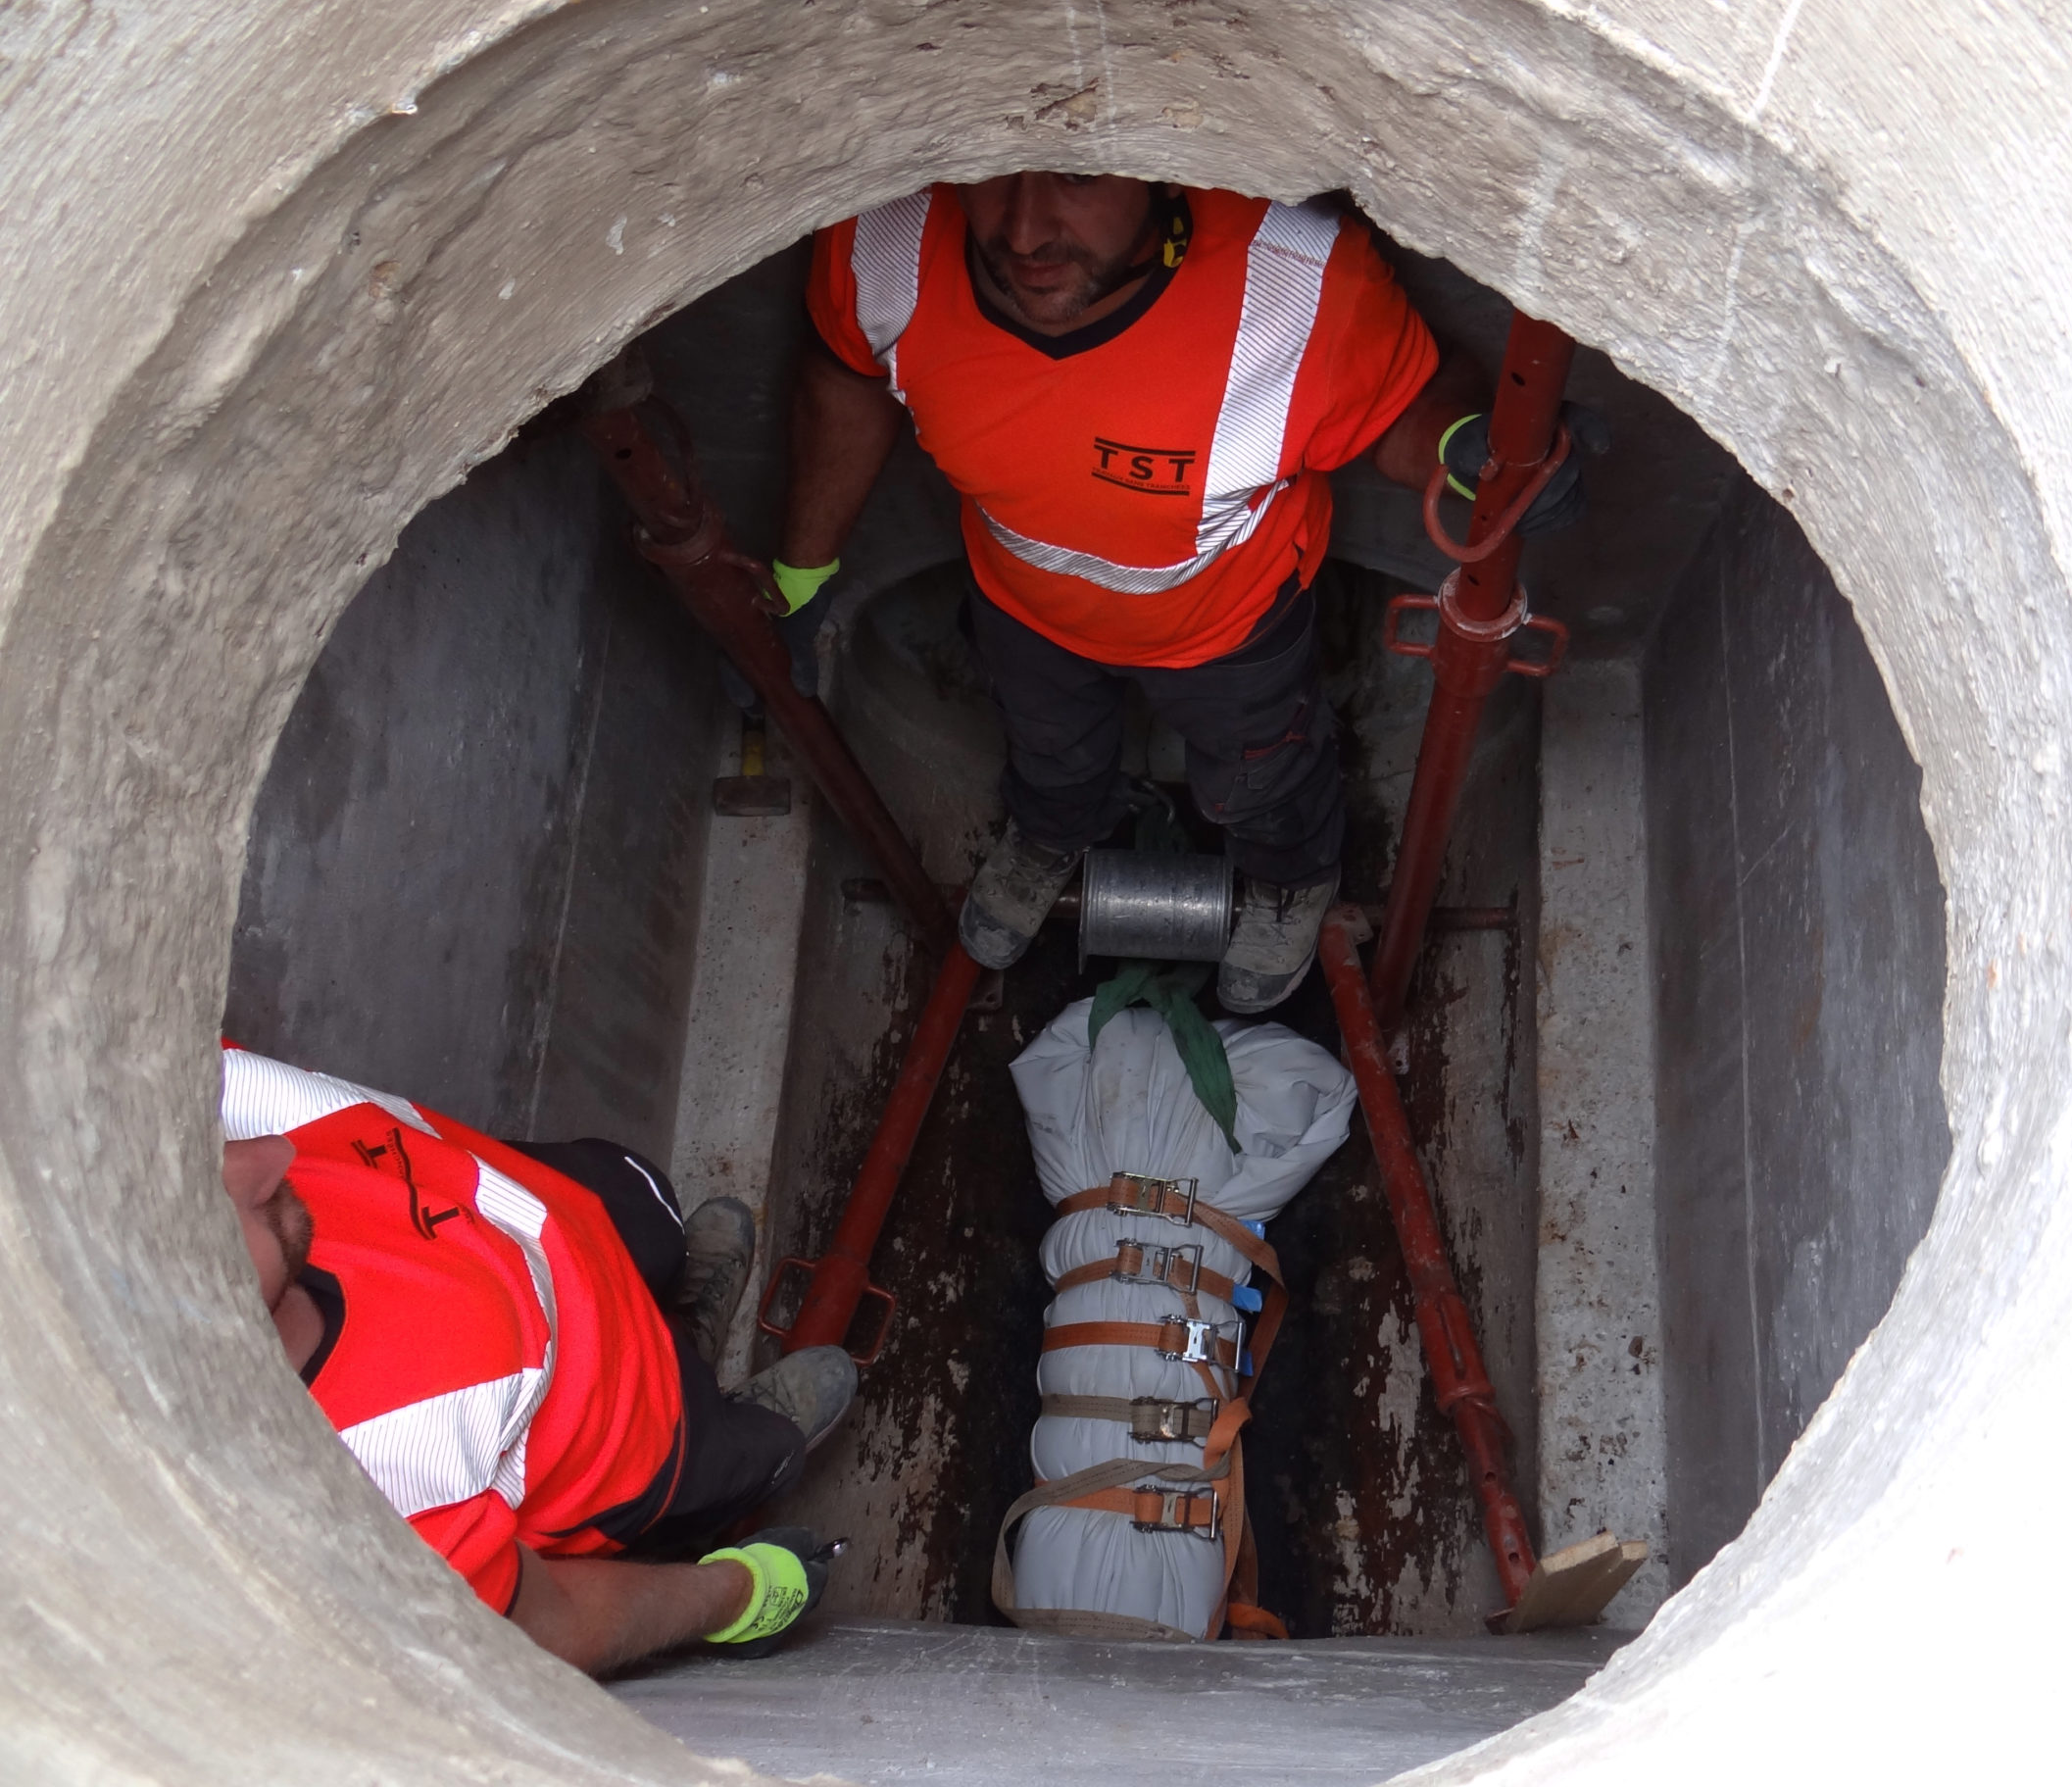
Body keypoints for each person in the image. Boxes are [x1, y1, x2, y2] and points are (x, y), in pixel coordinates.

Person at [771, 174, 1597, 1010]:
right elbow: (842, 375)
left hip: (1230, 630)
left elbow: (1403, 407)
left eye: (1077, 180)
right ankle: (1053, 834)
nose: (1022, 233)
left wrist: (1472, 452)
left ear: (1158, 168)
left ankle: (1288, 880)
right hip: (1024, 608)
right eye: (994, 176)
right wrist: (800, 580)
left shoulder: (1292, 283)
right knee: (1049, 752)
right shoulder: (886, 244)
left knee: (1264, 779)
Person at [217, 1046, 855, 1673]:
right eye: (219, 1218)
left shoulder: (171, 1105)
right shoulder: (376, 1501)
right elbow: (554, 1622)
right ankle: (706, 1401)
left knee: (654, 1214)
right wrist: (737, 1595)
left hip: (546, 1207)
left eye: (197, 1157)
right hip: (627, 1447)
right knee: (753, 1456)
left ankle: (679, 1327)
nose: (268, 1153)